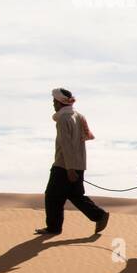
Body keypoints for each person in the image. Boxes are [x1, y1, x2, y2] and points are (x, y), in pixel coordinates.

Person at [36, 88, 109, 237]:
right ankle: (99, 216)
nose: (53, 104)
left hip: (64, 165)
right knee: (75, 195)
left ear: (59, 102)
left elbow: (66, 145)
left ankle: (54, 228)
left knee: (52, 196)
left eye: (54, 101)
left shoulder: (64, 119)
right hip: (78, 163)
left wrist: (69, 168)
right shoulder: (78, 116)